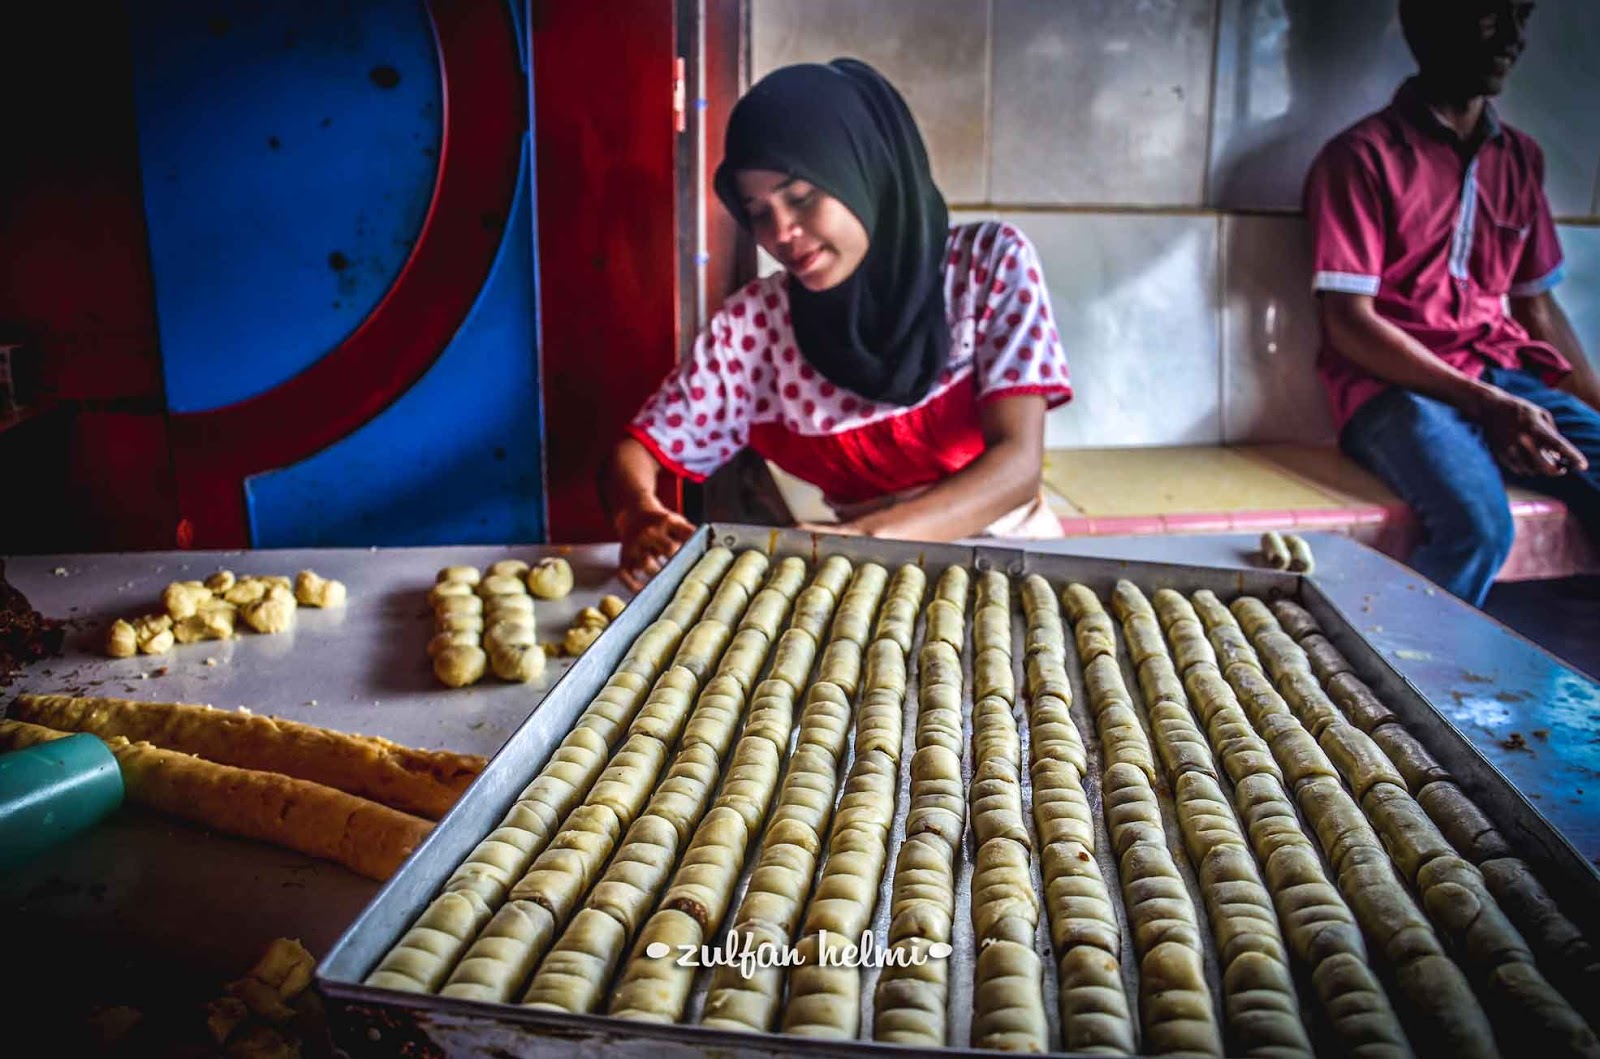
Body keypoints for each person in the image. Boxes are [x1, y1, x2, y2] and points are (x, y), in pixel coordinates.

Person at [601, 59, 1071, 590]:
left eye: (801, 198)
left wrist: (864, 539)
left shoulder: (986, 267)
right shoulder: (756, 329)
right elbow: (637, 452)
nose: (781, 232)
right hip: (866, 582)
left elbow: (1018, 464)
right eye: (757, 212)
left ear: (863, 172)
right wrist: (636, 512)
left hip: (1008, 560)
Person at [1304, 0, 1600, 607]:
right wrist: (1485, 402)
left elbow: (1536, 311)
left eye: (1524, 15)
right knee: (1478, 531)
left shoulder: (1519, 159)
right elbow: (1348, 326)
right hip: (1396, 391)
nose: (1514, 37)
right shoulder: (1360, 157)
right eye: (1492, 14)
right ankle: (1396, 690)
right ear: (1427, 21)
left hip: (1503, 380)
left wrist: (1587, 403)